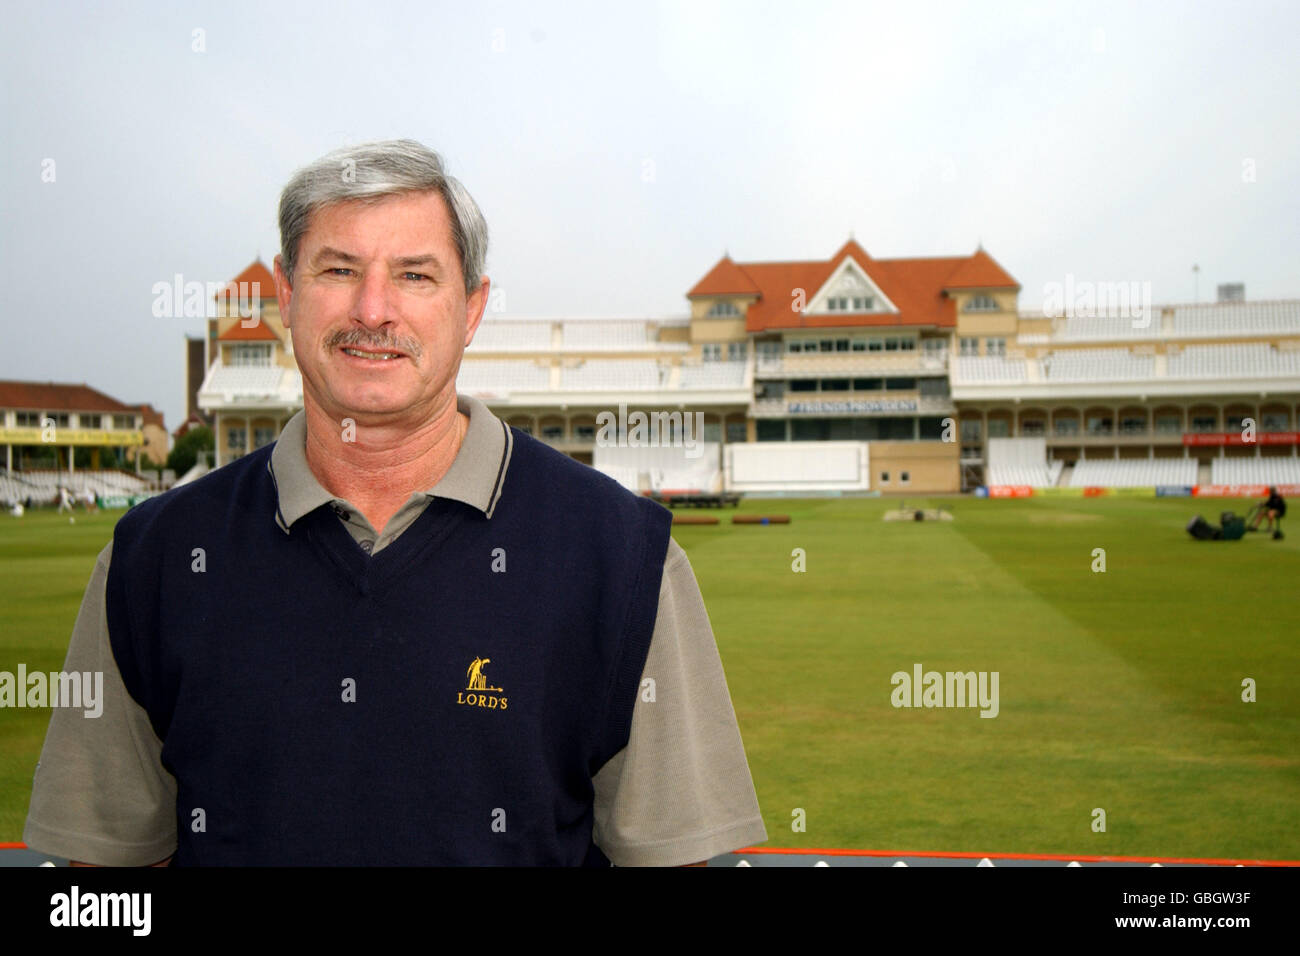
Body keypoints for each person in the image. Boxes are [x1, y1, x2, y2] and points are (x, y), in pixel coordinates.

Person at [24, 139, 766, 867]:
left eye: (415, 275)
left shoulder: (625, 556)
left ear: (471, 308)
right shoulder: (151, 559)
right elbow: (112, 880)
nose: (373, 309)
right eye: (339, 269)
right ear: (286, 295)